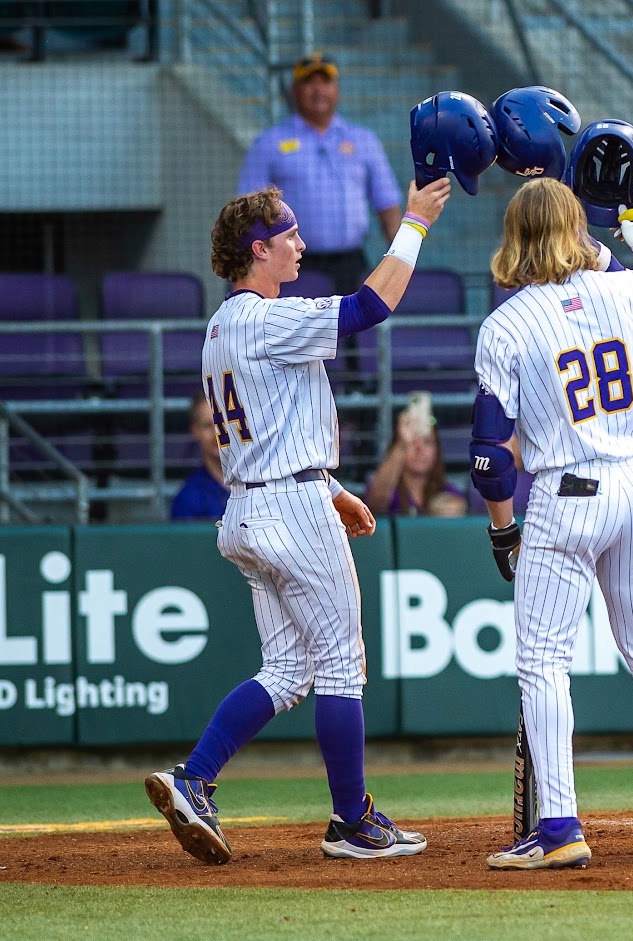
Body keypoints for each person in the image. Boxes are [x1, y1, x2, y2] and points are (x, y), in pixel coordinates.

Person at [144, 174, 452, 865]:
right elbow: (372, 304)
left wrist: (329, 485)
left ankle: (194, 778)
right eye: (289, 235)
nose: (301, 244)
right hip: (288, 505)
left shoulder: (222, 325)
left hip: (253, 502)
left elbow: (274, 420)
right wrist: (416, 223)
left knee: (287, 669)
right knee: (341, 665)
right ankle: (352, 820)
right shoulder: (266, 317)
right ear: (259, 249)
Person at [471, 178, 633, 870]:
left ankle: (557, 829)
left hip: (567, 491)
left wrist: (502, 529)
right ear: (578, 230)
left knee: (543, 662)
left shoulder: (506, 323)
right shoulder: (620, 290)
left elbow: (490, 457)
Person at [236, 53, 401, 295]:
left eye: (325, 82)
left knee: (355, 331)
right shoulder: (269, 143)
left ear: (337, 89)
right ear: (294, 91)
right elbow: (248, 212)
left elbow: (387, 204)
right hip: (293, 266)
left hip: (351, 264)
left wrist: (398, 262)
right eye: (308, 82)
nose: (318, 90)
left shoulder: (363, 140)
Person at [364, 405, 467, 517]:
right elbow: (375, 504)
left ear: (437, 451)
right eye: (412, 442)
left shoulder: (448, 492)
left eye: (427, 442)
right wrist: (402, 444)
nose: (419, 449)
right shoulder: (388, 490)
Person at [169, 394, 230, 521]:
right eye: (208, 425)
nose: (217, 433)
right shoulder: (188, 499)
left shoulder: (261, 481)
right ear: (195, 431)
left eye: (223, 423)